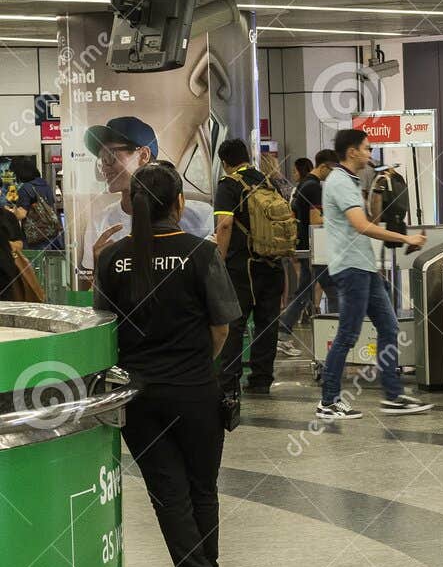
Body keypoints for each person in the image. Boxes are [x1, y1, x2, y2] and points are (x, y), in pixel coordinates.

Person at [94, 164, 240, 567]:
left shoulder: (112, 258)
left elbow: (102, 329)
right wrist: (198, 366)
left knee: (167, 494)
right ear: (178, 202)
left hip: (138, 399)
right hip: (196, 391)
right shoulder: (200, 253)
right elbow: (221, 326)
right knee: (202, 489)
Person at [316, 127, 433, 420]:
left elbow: (370, 218)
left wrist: (381, 190)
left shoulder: (352, 181)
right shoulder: (340, 181)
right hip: (351, 268)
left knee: (389, 327)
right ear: (352, 151)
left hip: (363, 266)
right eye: (367, 148)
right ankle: (328, 401)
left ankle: (392, 396)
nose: (370, 154)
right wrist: (405, 239)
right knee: (348, 334)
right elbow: (361, 225)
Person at [80, 116, 214, 274]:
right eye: (101, 160)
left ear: (143, 155)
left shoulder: (201, 217)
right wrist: (100, 269)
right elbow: (91, 290)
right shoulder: (99, 223)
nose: (104, 167)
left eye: (110, 156)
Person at [213, 137, 285, 394]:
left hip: (243, 267)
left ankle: (228, 381)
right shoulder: (268, 181)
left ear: (224, 163)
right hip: (273, 264)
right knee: (268, 322)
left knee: (235, 324)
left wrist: (218, 261)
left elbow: (224, 225)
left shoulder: (229, 184)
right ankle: (261, 379)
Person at [281, 148, 335, 336]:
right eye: (332, 169)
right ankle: (342, 326)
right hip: (313, 247)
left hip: (305, 245)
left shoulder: (304, 184)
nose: (332, 174)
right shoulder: (314, 187)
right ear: (323, 166)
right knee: (329, 287)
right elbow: (315, 220)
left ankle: (286, 325)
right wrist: (336, 219)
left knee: (307, 288)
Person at [12, 155, 62, 251]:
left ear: (20, 172)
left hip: (35, 236)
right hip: (49, 233)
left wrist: (9, 212)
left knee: (34, 263)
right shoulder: (44, 184)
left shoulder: (25, 188)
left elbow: (22, 214)